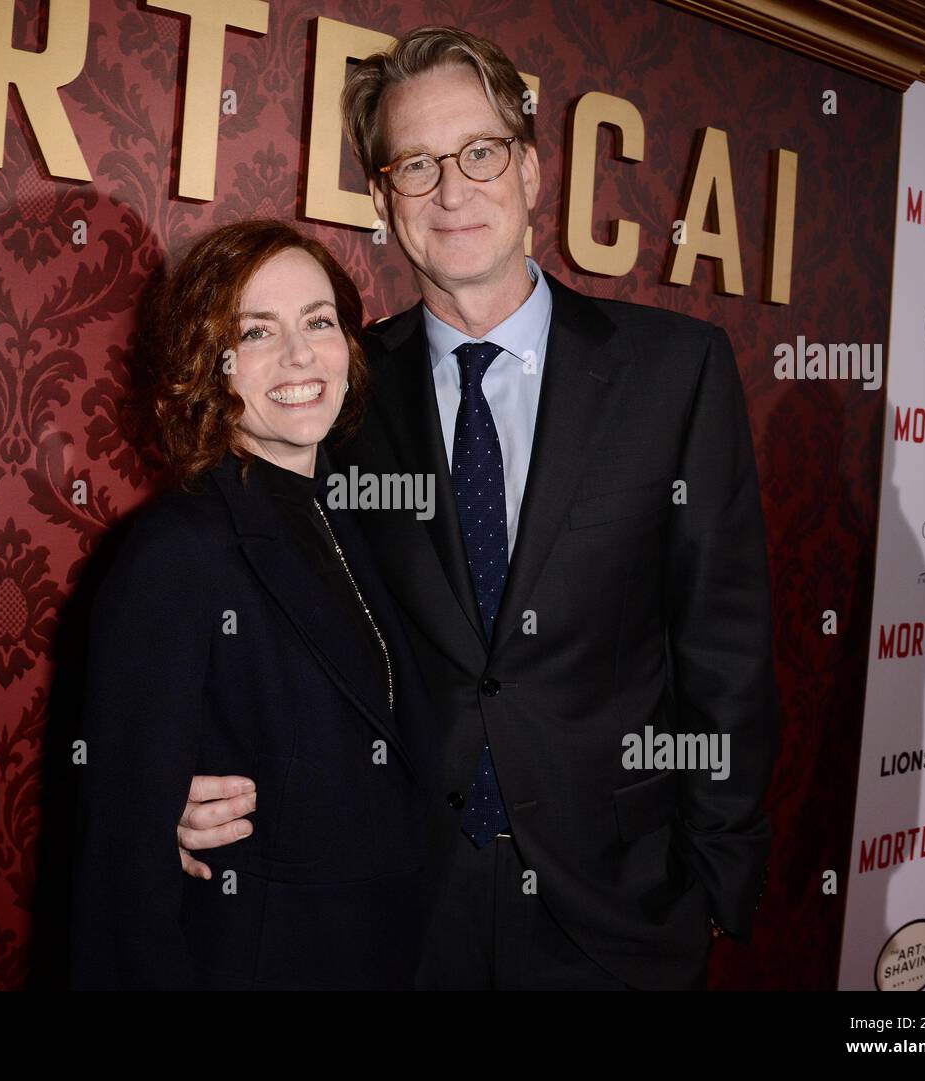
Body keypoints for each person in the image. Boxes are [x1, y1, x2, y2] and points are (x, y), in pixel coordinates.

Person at [178, 25, 780, 991]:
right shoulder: (339, 391)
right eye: (415, 166)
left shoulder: (676, 371)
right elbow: (270, 618)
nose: (452, 190)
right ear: (380, 201)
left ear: (532, 171)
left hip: (622, 910)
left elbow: (727, 652)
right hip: (403, 906)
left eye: (480, 153)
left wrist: (715, 881)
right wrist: (183, 769)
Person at [68, 219, 437, 990]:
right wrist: (156, 813)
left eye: (319, 322)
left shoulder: (359, 517)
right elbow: (121, 878)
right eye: (258, 331)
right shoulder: (175, 552)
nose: (300, 355)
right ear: (212, 363)